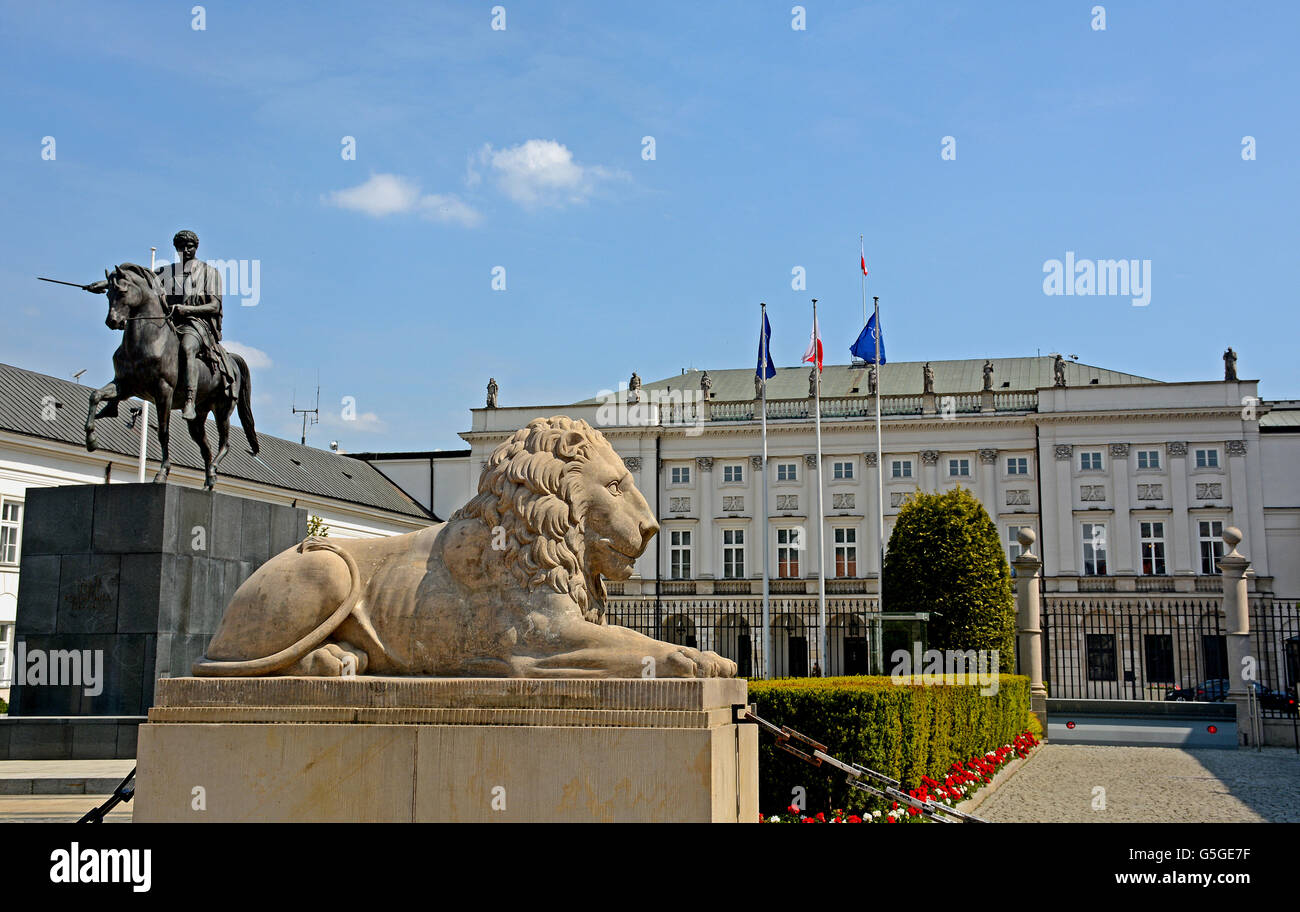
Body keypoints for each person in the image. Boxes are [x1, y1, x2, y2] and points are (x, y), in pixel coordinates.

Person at [87, 229, 228, 419]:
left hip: (194, 323)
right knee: (133, 346)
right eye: (181, 247)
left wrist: (187, 310)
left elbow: (214, 306)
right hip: (168, 322)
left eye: (190, 246)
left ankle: (189, 400)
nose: (185, 250)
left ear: (196, 247)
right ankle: (116, 398)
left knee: (187, 348)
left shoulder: (209, 272)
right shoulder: (164, 272)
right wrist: (103, 284)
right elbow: (134, 283)